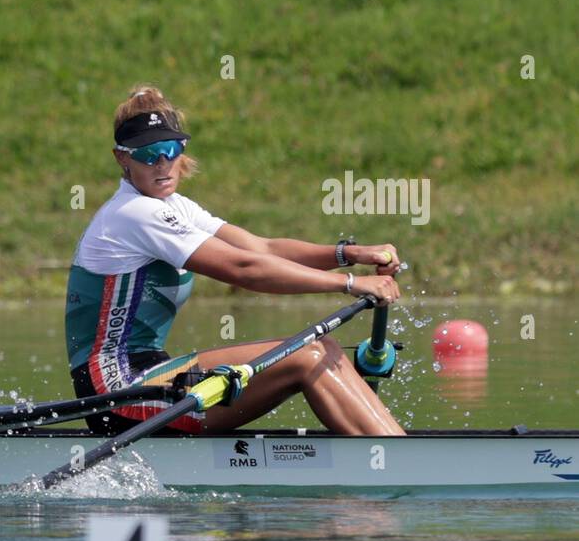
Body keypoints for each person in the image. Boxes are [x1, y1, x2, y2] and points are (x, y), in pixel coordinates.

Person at [66, 85, 404, 437]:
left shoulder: (174, 205)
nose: (163, 163)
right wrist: (348, 285)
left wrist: (348, 255)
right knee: (309, 355)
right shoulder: (133, 213)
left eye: (172, 149)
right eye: (149, 154)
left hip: (153, 373)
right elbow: (243, 270)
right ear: (122, 158)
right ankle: (396, 462)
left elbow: (262, 249)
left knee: (324, 349)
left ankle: (394, 448)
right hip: (116, 392)